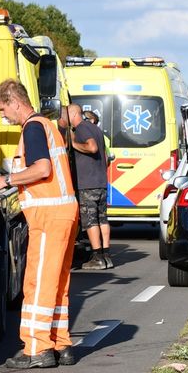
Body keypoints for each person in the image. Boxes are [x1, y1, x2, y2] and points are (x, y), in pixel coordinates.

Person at [0, 79, 79, 368]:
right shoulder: (47, 125)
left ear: (15, 102)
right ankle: (60, 343)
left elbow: (42, 168)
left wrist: (6, 180)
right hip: (63, 212)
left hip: (49, 216)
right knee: (57, 283)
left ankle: (37, 348)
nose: (2, 115)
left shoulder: (33, 127)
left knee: (38, 282)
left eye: (3, 109)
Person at [68, 104, 113, 270]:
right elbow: (105, 157)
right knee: (102, 219)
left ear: (73, 114)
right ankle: (106, 256)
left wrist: (73, 144)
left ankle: (97, 257)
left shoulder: (81, 129)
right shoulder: (96, 129)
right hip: (100, 181)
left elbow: (92, 147)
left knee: (90, 220)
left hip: (87, 183)